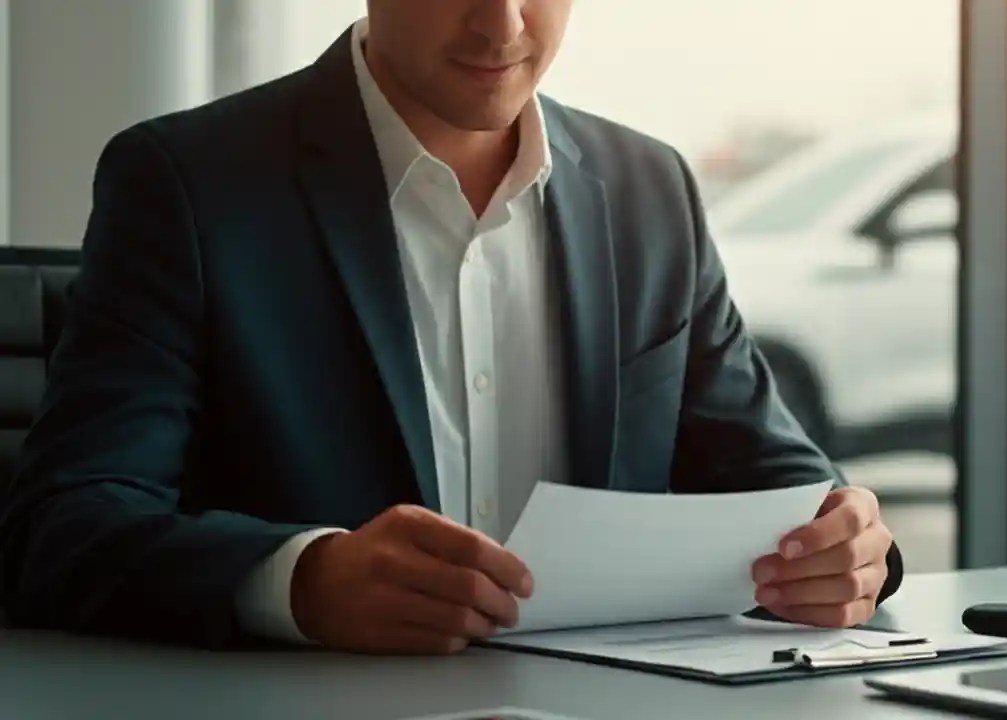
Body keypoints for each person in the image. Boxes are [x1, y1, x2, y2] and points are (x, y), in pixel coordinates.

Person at [0, 0, 902, 654]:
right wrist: (303, 582)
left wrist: (850, 546)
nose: (502, 24)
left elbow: (780, 479)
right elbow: (64, 527)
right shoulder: (188, 184)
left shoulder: (648, 190)